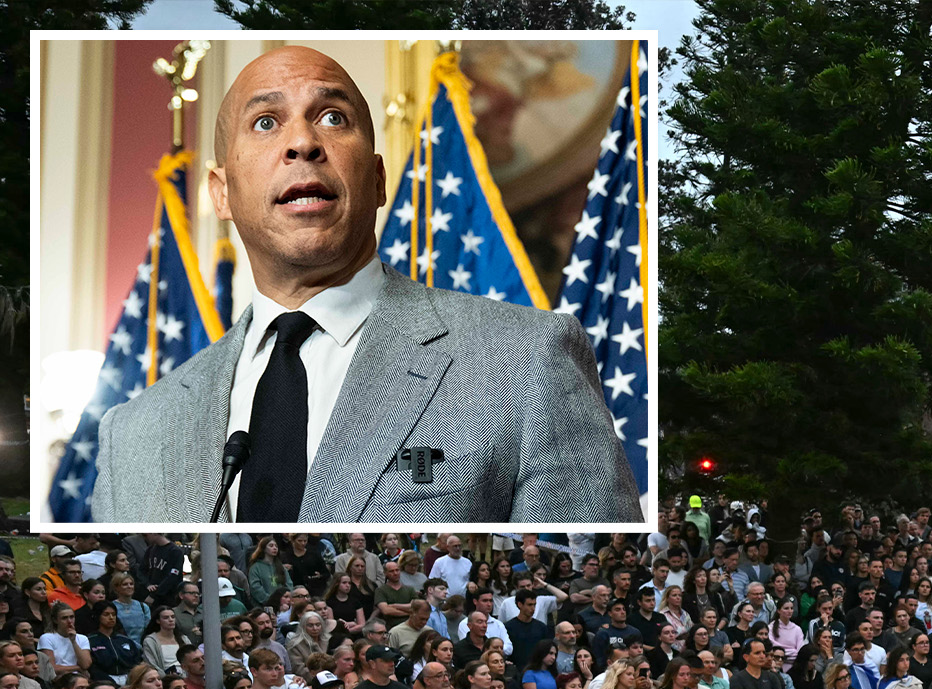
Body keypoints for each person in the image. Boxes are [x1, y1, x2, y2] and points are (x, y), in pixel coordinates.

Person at [91, 47, 642, 524]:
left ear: (377, 180)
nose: (302, 142)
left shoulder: (526, 360)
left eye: (332, 118)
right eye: (265, 122)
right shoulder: (132, 435)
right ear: (222, 194)